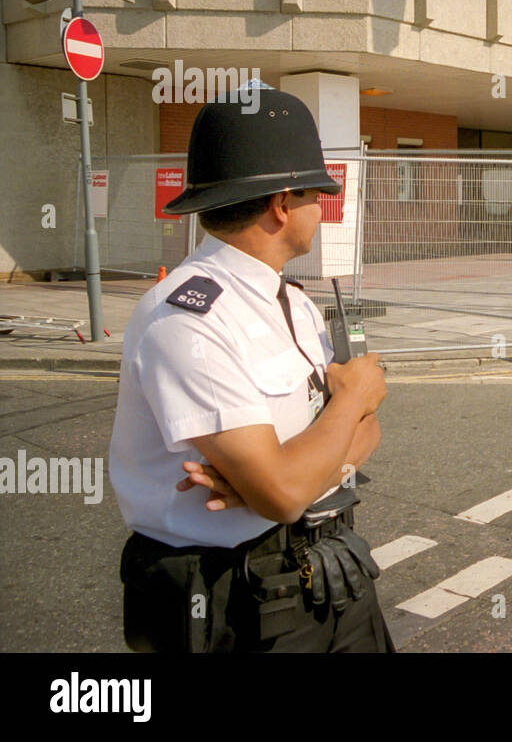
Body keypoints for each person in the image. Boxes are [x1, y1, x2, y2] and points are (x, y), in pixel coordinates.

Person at [110, 88, 394, 653]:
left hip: (329, 566)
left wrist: (287, 478)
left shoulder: (295, 302)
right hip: (236, 598)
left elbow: (368, 433)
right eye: (317, 194)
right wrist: (348, 401)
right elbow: (292, 482)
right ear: (283, 204)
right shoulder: (187, 321)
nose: (322, 209)